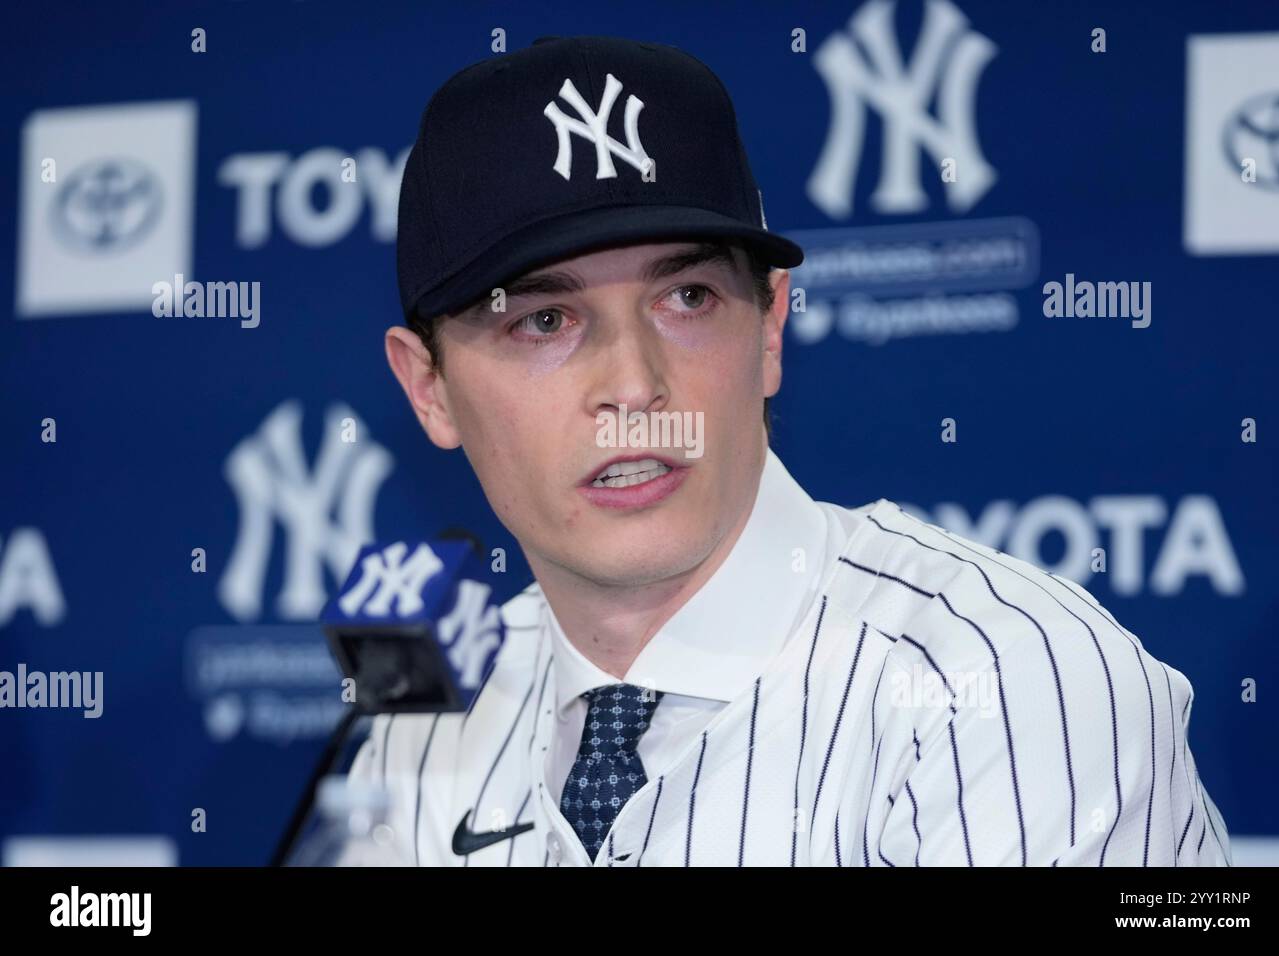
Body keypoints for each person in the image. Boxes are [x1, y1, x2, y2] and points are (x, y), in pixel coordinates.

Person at [346, 35, 1231, 866]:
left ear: (771, 327)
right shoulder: (424, 729)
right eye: (544, 320)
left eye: (686, 297)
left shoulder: (1009, 683)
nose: (632, 384)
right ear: (428, 387)